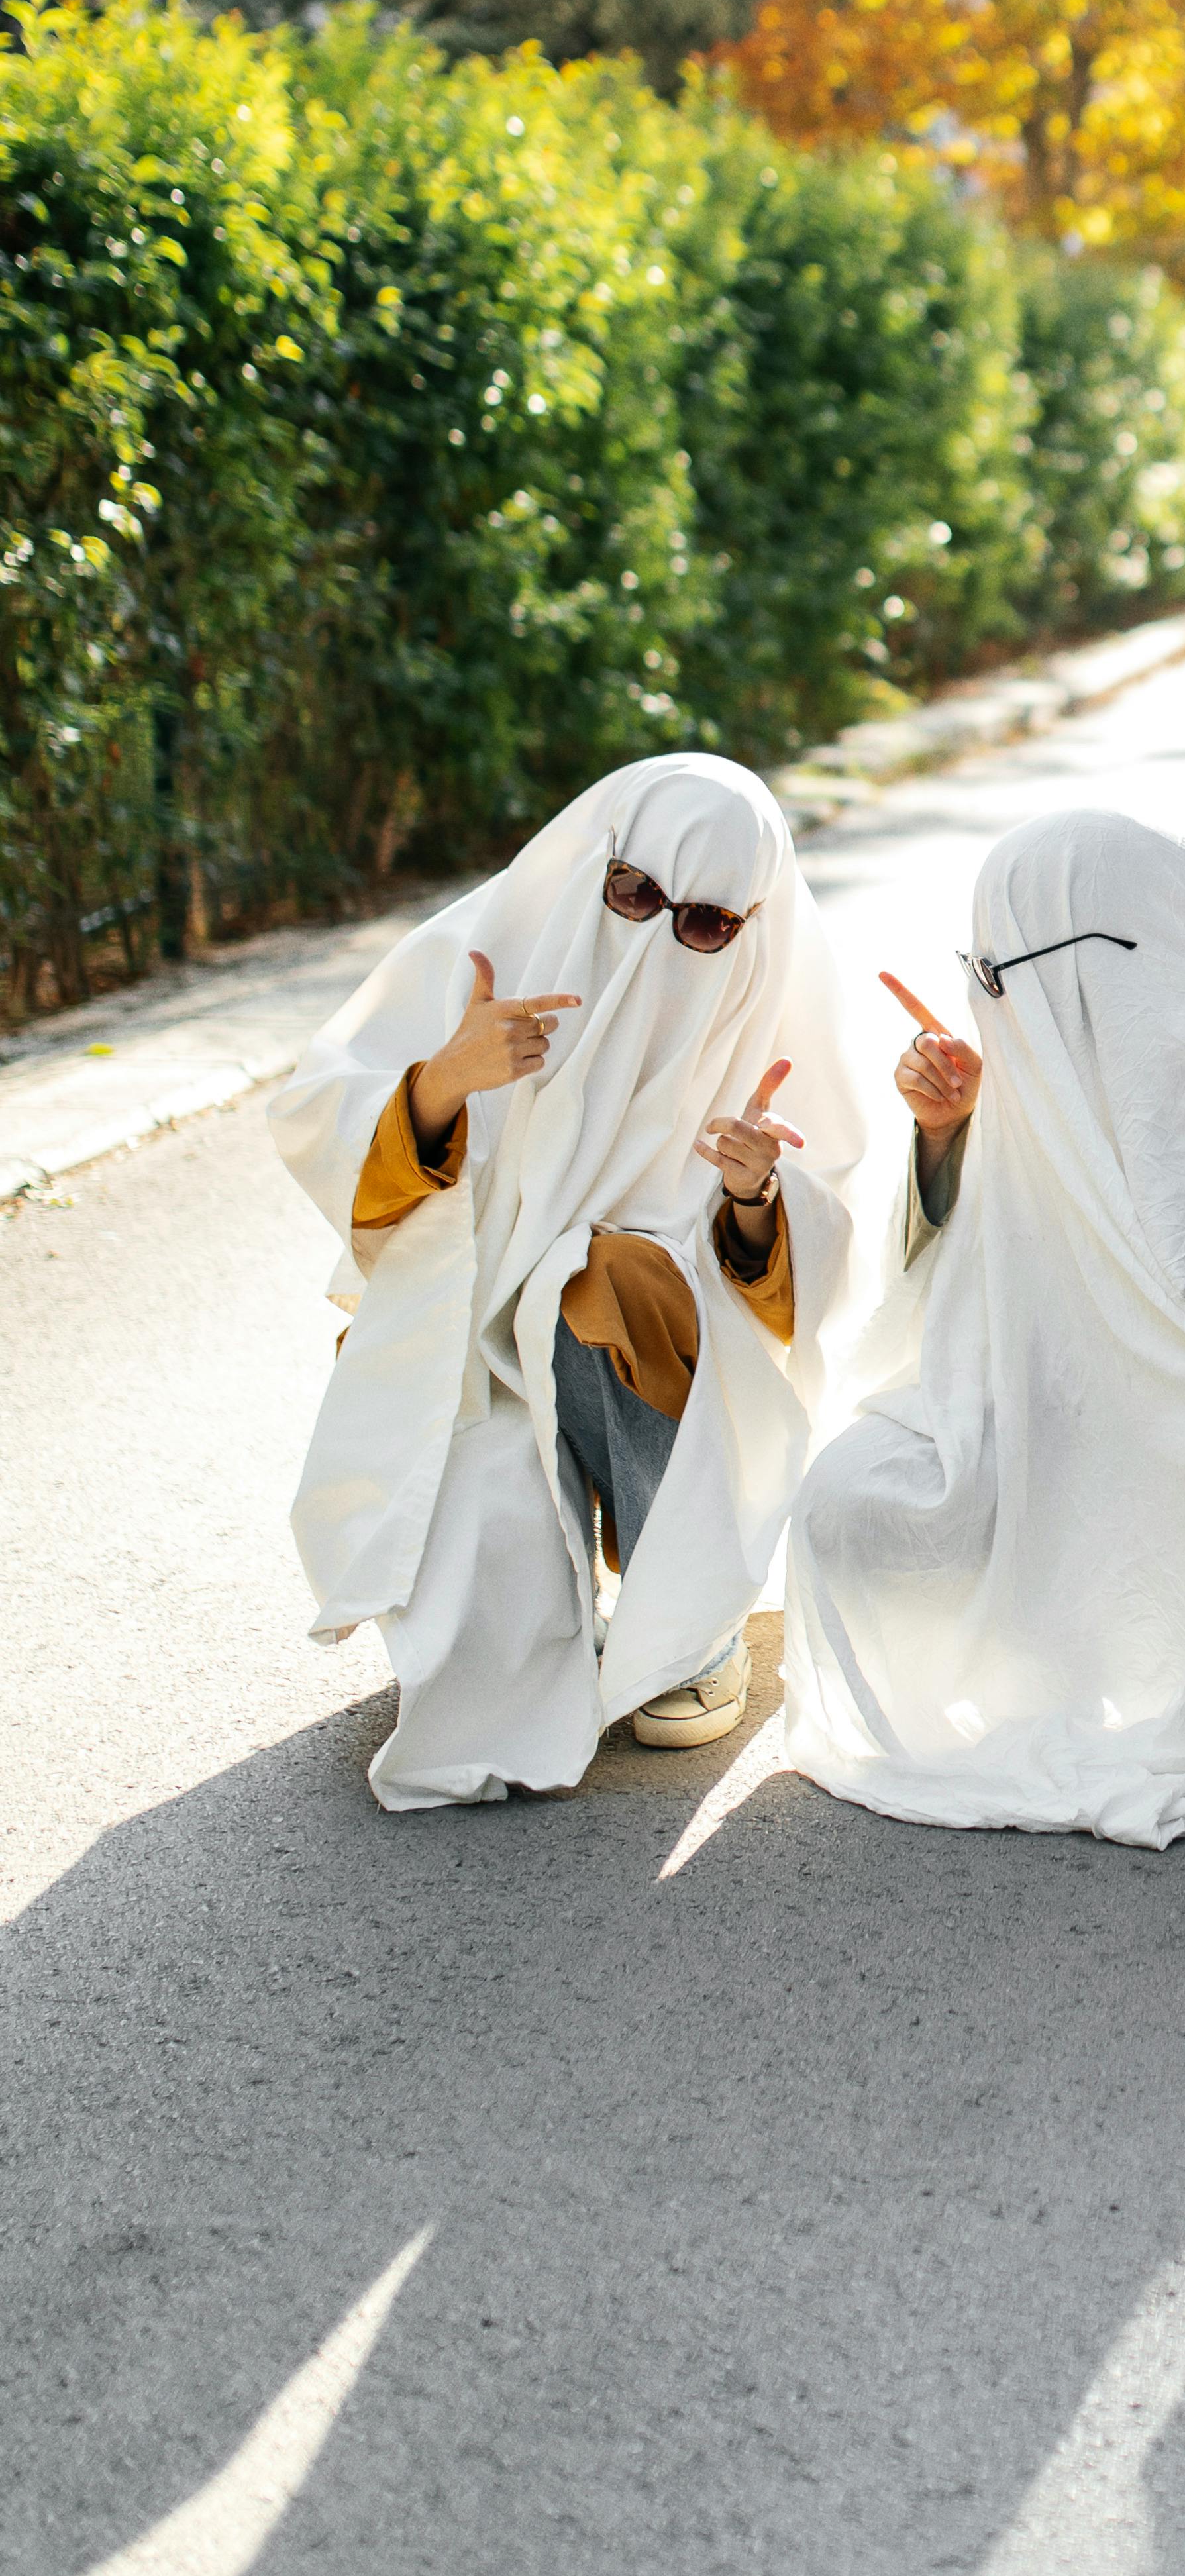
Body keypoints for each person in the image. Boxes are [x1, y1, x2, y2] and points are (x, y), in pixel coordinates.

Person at [780, 809, 1185, 1847]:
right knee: (843, 1505)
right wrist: (950, 1135)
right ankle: (1062, 1656)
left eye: (1005, 974)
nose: (994, 998)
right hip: (1058, 1400)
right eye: (980, 974)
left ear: (1098, 953)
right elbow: (969, 1273)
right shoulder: (1045, 1054)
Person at [270, 753, 869, 1811]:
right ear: (599, 864)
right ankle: (558, 1609)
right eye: (633, 894)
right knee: (483, 1638)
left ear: (751, 927)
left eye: (704, 925)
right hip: (465, 1344)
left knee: (604, 1277)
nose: (653, 942)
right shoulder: (487, 955)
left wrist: (753, 1197)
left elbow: (816, 1282)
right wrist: (442, 1084)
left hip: (646, 1358)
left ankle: (684, 1617)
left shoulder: (770, 1023)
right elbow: (321, 1114)